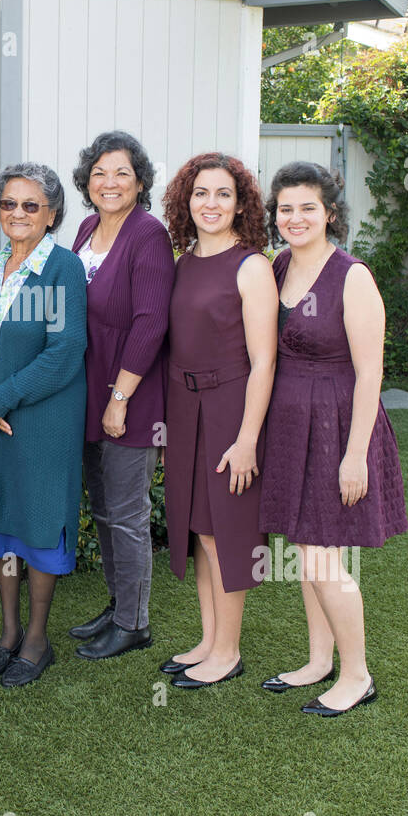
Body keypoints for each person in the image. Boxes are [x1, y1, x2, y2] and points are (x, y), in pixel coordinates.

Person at [258, 162, 408, 715]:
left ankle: (357, 675)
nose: (294, 218)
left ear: (330, 214)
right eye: (285, 208)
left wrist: (354, 456)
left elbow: (371, 372)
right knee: (306, 546)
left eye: (307, 207)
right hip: (289, 423)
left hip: (338, 425)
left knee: (322, 557)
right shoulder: (276, 267)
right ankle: (319, 660)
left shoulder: (352, 276)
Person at [0, 162, 87, 687]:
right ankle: (8, 633)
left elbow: (65, 350)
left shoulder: (63, 269)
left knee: (36, 522)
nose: (17, 214)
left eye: (30, 205)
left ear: (52, 214)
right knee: (0, 522)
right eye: (8, 203)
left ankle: (37, 639)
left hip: (39, 420)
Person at [161, 153, 278, 688]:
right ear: (187, 200)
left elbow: (265, 360)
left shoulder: (251, 265)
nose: (211, 204)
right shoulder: (183, 260)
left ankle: (228, 653)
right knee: (198, 528)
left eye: (224, 194)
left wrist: (249, 437)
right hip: (185, 409)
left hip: (231, 408)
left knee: (226, 533)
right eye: (202, 193)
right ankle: (209, 640)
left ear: (241, 204)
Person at [68, 132, 175, 660]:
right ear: (87, 180)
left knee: (127, 512)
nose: (110, 183)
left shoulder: (148, 235)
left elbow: (151, 321)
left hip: (128, 394)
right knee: (104, 507)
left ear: (140, 182)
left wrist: (119, 397)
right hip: (87, 390)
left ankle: (135, 623)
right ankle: (118, 604)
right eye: (101, 173)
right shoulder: (87, 227)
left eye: (122, 174)